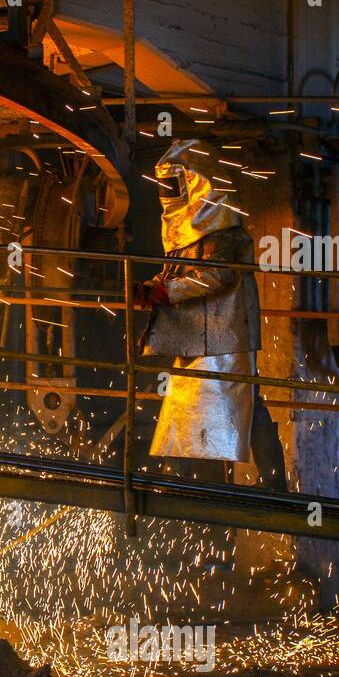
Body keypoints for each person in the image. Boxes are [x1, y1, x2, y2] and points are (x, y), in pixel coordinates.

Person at [134, 139, 287, 490]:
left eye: (173, 184)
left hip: (225, 333)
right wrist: (150, 288)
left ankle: (275, 484)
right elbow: (176, 274)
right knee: (188, 405)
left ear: (198, 183)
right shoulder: (185, 234)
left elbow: (218, 276)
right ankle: (191, 485)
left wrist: (163, 292)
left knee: (245, 403)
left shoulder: (227, 233)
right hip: (195, 336)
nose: (168, 193)